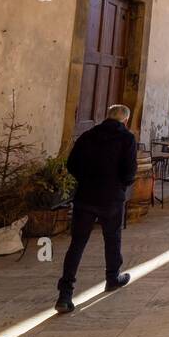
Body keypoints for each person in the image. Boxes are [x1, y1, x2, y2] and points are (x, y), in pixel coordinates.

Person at [55, 104, 137, 314]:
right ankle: (112, 277)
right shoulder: (126, 138)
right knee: (112, 238)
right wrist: (120, 185)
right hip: (111, 197)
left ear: (106, 116)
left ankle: (65, 294)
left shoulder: (88, 135)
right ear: (125, 121)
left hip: (86, 196)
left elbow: (72, 164)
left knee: (77, 243)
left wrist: (86, 180)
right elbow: (129, 171)